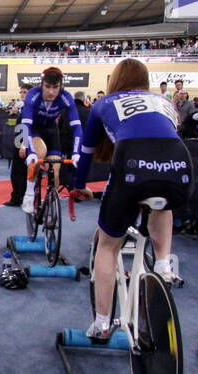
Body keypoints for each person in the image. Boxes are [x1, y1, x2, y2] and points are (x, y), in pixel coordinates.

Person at [74, 59, 188, 341]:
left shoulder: (104, 103)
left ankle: (102, 323)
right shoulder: (164, 102)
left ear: (116, 80)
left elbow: (86, 153)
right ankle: (163, 264)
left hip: (132, 164)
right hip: (179, 161)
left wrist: (79, 186)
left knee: (108, 245)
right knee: (164, 201)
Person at [18, 67, 83, 212]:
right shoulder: (33, 95)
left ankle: (52, 202)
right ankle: (29, 193)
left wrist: (76, 153)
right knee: (39, 153)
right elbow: (25, 125)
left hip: (51, 130)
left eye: (55, 87)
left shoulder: (66, 97)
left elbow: (77, 127)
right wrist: (29, 150)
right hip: (33, 129)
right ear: (41, 84)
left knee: (56, 170)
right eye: (47, 87)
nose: (51, 92)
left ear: (61, 86)